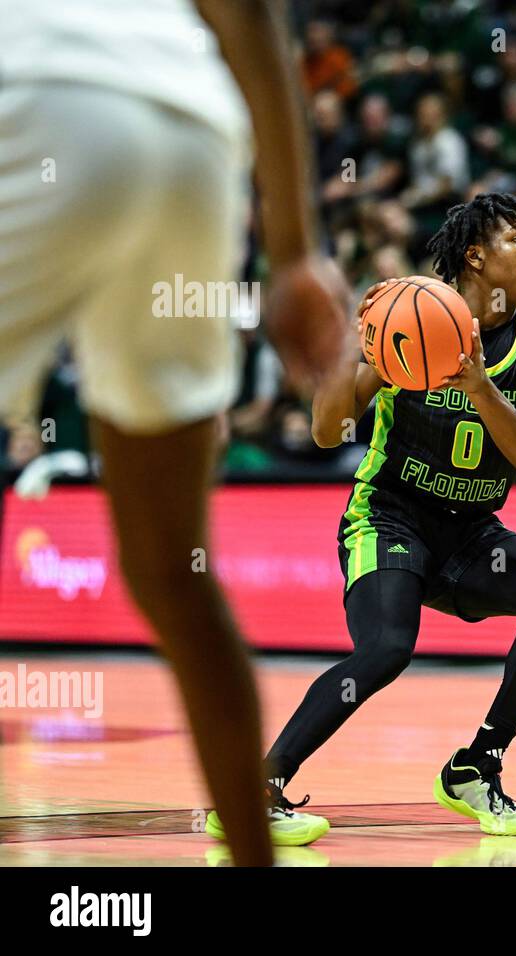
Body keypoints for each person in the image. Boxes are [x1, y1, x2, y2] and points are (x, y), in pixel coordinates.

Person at [0, 0, 352, 866]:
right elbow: (255, 16)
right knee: (173, 575)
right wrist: (296, 251)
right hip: (193, 126)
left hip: (38, 96)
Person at [236, 193, 516, 840]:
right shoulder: (408, 315)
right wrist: (349, 352)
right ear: (475, 255)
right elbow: (327, 429)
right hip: (390, 515)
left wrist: (478, 387)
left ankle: (477, 766)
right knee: (388, 649)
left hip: (473, 532)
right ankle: (259, 789)